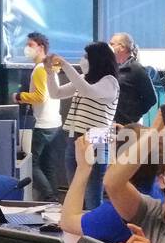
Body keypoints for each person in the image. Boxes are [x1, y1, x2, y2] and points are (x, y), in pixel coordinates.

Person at [49, 42, 119, 212]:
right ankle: (75, 230)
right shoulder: (84, 79)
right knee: (75, 192)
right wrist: (49, 72)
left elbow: (88, 91)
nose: (83, 60)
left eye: (87, 57)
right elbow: (56, 93)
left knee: (92, 195)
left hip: (95, 142)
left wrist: (65, 65)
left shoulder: (110, 82)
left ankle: (95, 234)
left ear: (97, 60)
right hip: (75, 139)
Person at [15, 33, 63, 202]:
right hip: (54, 122)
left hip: (44, 123)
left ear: (41, 47)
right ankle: (54, 197)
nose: (27, 48)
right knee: (47, 163)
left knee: (33, 164)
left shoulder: (40, 69)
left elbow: (40, 96)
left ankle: (49, 196)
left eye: (30, 45)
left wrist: (20, 96)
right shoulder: (49, 68)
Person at [109, 32, 157, 126]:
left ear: (122, 47)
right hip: (110, 122)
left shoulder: (136, 69)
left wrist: (133, 115)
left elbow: (151, 98)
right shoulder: (111, 68)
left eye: (112, 44)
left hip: (126, 124)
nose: (108, 47)